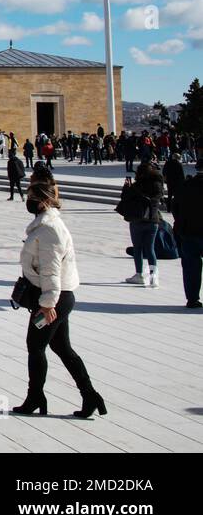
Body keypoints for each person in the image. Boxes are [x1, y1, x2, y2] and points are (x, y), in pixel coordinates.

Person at [12, 180, 105, 418]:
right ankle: (90, 395)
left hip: (55, 298)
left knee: (36, 346)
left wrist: (47, 304)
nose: (28, 200)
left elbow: (51, 270)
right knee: (62, 347)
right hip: (58, 296)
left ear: (43, 200)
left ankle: (35, 397)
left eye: (31, 196)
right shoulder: (46, 226)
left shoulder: (49, 229)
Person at [118, 161, 165, 286]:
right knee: (150, 248)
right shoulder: (157, 185)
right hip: (153, 220)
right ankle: (153, 276)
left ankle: (139, 274)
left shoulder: (136, 186)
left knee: (138, 248)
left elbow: (125, 198)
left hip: (137, 220)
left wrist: (126, 187)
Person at [173, 157, 203, 308]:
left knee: (191, 267)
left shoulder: (185, 186)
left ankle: (192, 299)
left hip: (189, 232)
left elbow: (175, 209)